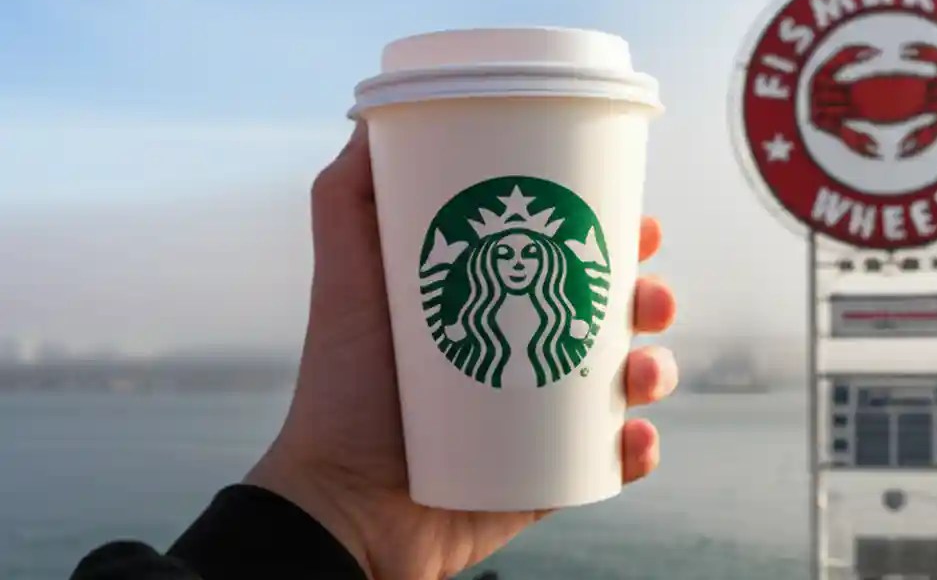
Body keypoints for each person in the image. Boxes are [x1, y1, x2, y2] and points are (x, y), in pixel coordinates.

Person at [69, 122, 679, 580]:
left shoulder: (554, 326)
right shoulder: (474, 324)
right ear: (483, 263)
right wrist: (338, 500)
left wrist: (333, 508)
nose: (517, 263)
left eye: (530, 254)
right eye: (503, 253)